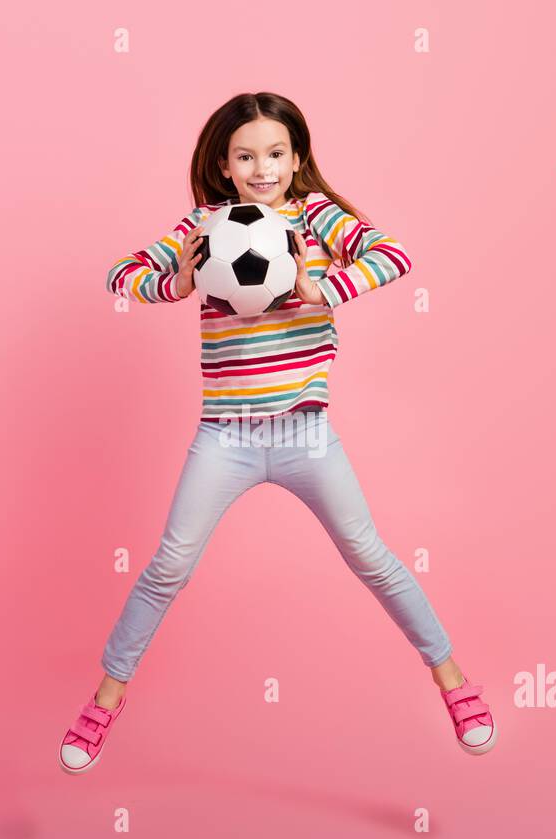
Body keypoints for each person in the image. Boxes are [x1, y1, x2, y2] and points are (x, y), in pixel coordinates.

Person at [60, 92, 496, 774]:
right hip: (225, 436)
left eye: (274, 153)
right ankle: (104, 700)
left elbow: (394, 255)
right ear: (224, 165)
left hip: (306, 433)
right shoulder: (203, 226)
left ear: (295, 160)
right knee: (169, 565)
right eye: (245, 156)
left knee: (371, 556)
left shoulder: (317, 218)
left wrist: (326, 290)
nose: (260, 167)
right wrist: (176, 279)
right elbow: (121, 275)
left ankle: (454, 681)